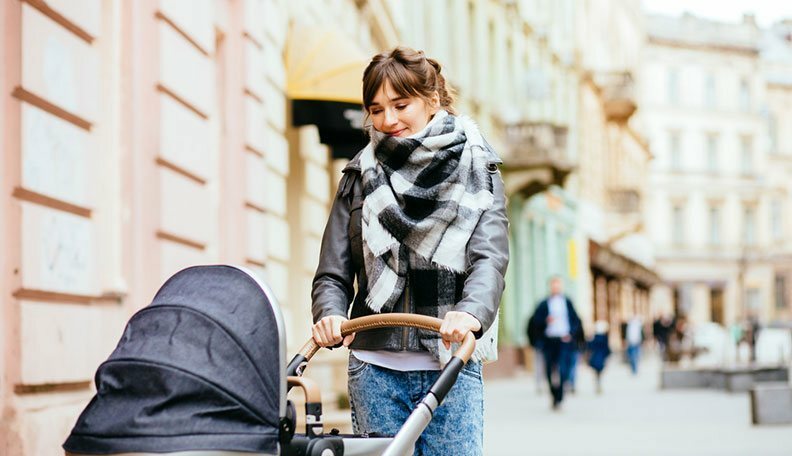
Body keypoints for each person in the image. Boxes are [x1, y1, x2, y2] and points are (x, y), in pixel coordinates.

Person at [311, 46, 509, 456]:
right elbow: (333, 271)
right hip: (374, 369)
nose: (388, 120)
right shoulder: (359, 174)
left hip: (451, 365)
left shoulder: (478, 168)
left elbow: (489, 257)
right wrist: (329, 312)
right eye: (377, 109)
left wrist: (471, 312)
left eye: (401, 105)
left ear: (431, 100)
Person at [527, 276, 583, 410]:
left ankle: (560, 394)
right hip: (549, 340)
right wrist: (546, 321)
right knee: (548, 370)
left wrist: (571, 335)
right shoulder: (544, 303)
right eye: (554, 285)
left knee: (564, 368)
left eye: (558, 285)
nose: (556, 288)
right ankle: (553, 393)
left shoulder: (567, 302)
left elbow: (576, 320)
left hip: (564, 340)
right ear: (550, 287)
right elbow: (535, 322)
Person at [586, 320, 611, 394]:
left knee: (596, 372)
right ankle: (599, 384)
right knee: (600, 372)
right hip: (601, 357)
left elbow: (589, 347)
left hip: (595, 357)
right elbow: (607, 348)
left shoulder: (594, 337)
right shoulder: (604, 338)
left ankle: (597, 384)